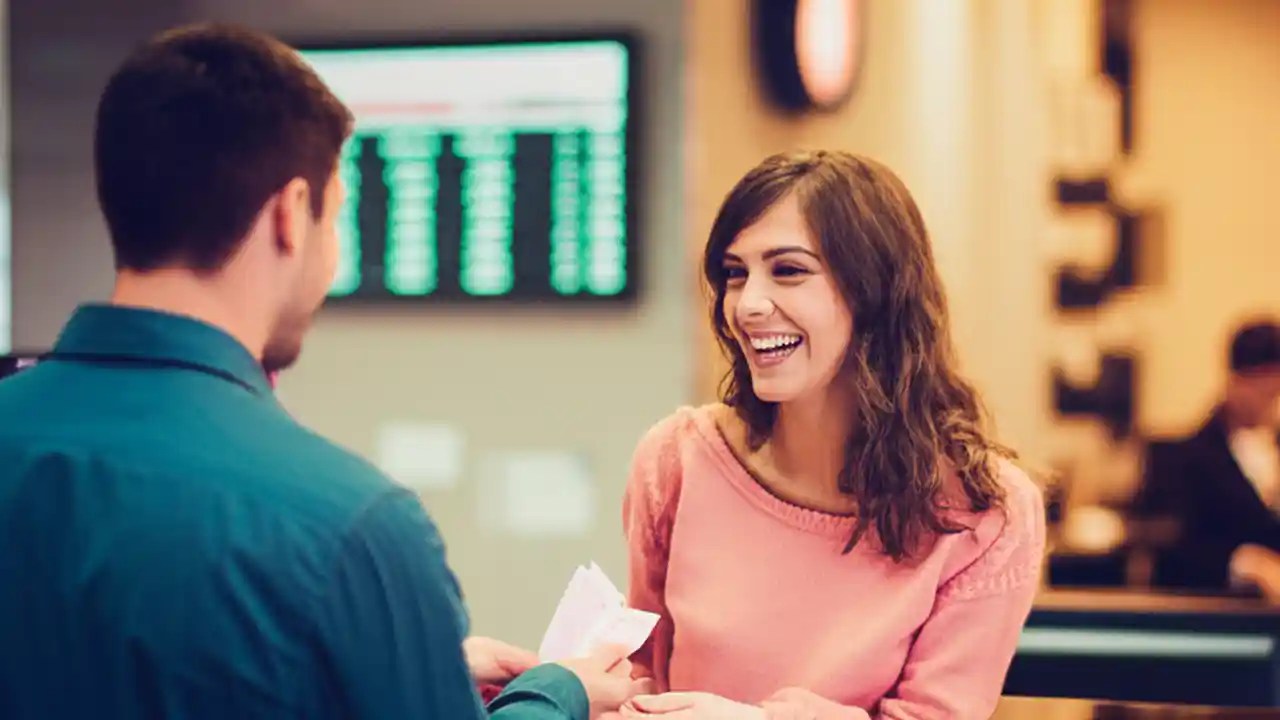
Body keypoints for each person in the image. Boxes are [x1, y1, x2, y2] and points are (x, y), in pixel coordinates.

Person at [0, 23, 639, 720]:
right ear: (291, 214)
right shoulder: (349, 529)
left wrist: (405, 663)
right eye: (336, 217)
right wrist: (557, 693)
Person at [618, 151, 1046, 719]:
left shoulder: (987, 512)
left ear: (873, 291)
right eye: (734, 274)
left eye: (789, 270)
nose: (747, 305)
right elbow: (637, 677)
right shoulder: (675, 461)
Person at [1136, 320, 1280, 595]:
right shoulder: (1183, 459)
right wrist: (1246, 563)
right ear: (1236, 380)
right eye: (1263, 389)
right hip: (1223, 615)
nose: (1270, 402)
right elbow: (1169, 552)